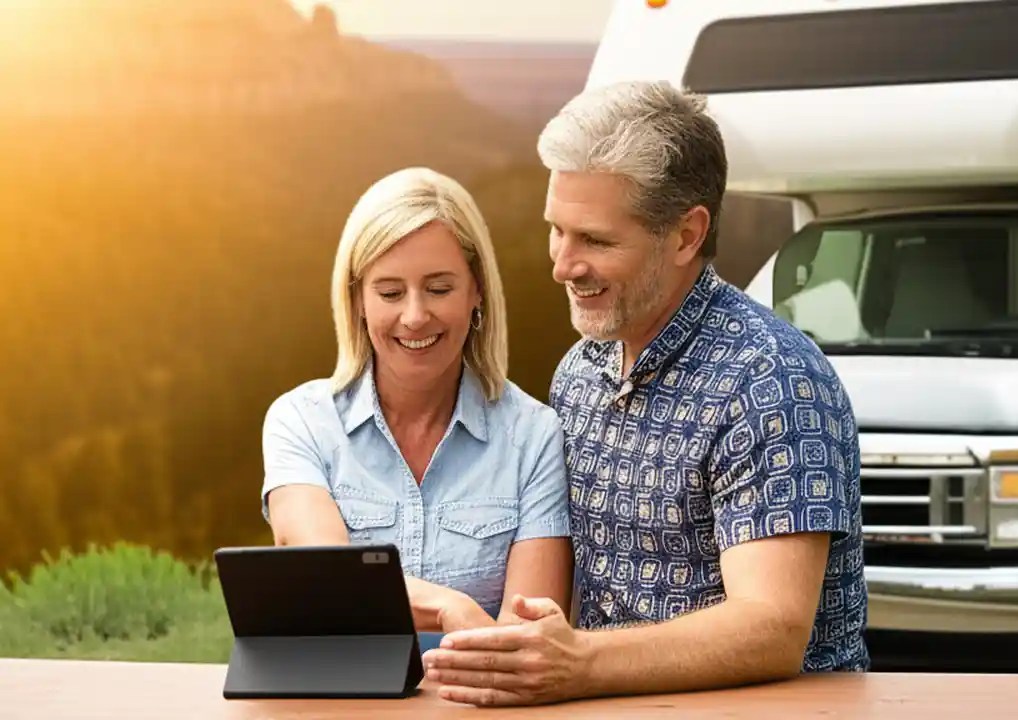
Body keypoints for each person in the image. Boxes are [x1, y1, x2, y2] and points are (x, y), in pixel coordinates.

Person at [422, 81, 868, 706]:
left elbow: (774, 628)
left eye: (596, 241)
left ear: (687, 235)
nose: (562, 265)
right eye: (558, 230)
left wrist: (578, 663)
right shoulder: (579, 372)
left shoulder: (772, 379)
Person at [259, 167, 573, 634]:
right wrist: (450, 608)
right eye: (389, 292)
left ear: (477, 291)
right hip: (343, 707)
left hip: (477, 705)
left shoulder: (533, 435)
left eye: (439, 289)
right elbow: (327, 578)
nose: (414, 316)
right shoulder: (301, 421)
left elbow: (529, 638)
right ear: (358, 301)